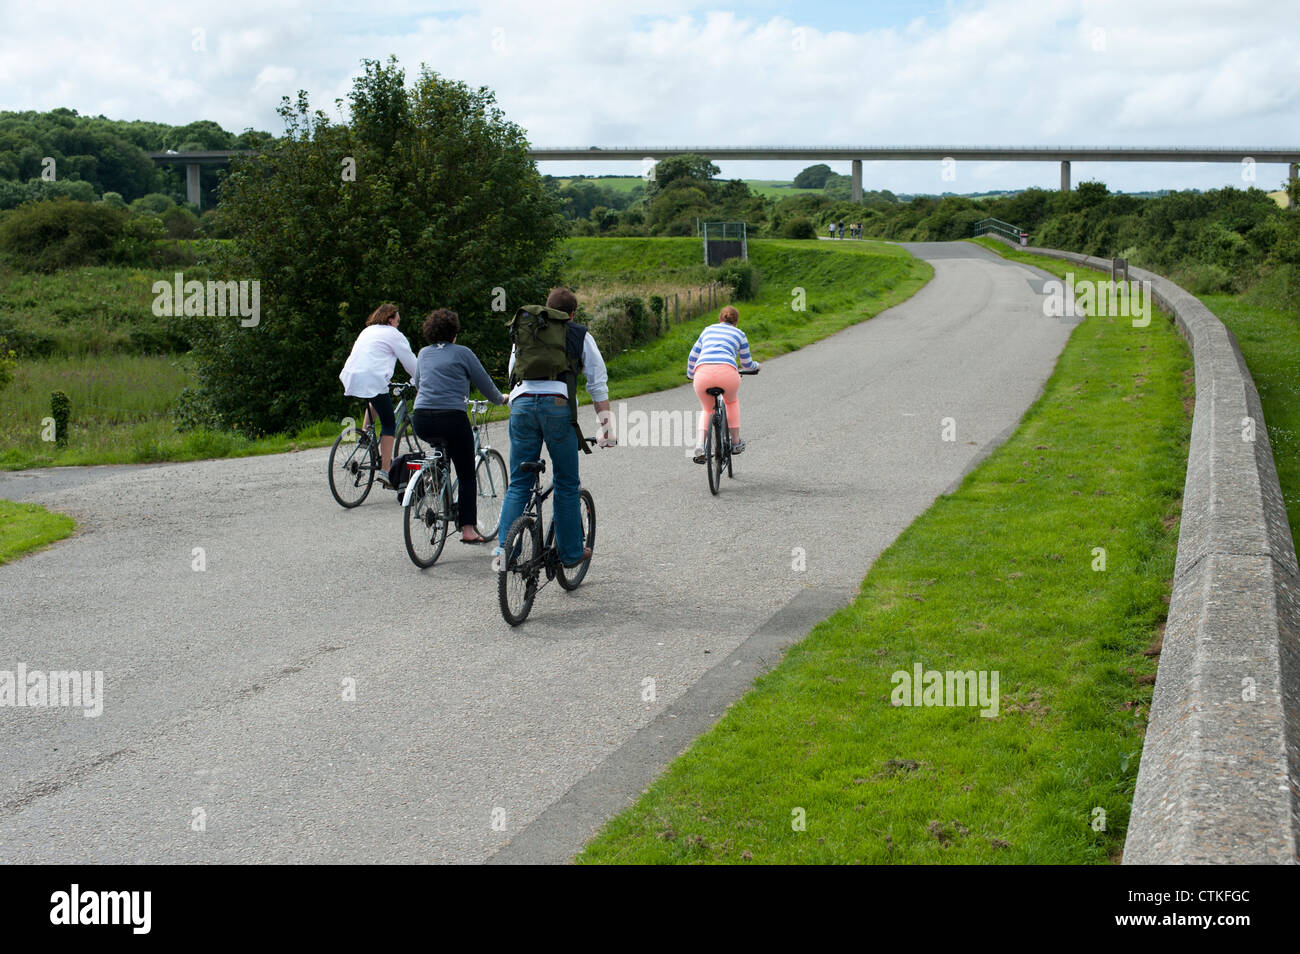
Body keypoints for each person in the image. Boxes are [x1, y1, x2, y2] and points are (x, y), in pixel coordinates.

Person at [493, 287, 614, 570]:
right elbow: (597, 384)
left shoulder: (526, 330)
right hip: (557, 407)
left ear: (548, 309)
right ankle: (571, 552)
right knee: (566, 482)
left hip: (522, 405)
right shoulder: (579, 335)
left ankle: (504, 551)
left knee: (519, 483)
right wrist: (606, 427)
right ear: (571, 314)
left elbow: (514, 374)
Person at [410, 308, 507, 544]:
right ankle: (468, 530)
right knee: (465, 474)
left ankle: (434, 480)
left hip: (421, 417)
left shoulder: (423, 353)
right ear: (454, 332)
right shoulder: (463, 353)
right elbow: (484, 383)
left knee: (440, 449)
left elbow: (419, 383)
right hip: (452, 417)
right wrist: (500, 399)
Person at [339, 303, 418, 486]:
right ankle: (385, 470)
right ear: (390, 319)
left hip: (353, 375)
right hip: (372, 378)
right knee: (389, 422)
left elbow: (371, 356)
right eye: (397, 321)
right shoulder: (393, 334)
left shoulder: (367, 331)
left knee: (375, 398)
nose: (398, 324)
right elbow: (410, 362)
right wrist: (418, 380)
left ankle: (365, 436)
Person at [687, 304, 759, 462]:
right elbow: (747, 363)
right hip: (727, 373)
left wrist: (691, 374)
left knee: (707, 409)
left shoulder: (707, 330)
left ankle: (700, 444)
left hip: (702, 373)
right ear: (736, 321)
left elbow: (693, 356)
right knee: (731, 402)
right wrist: (756, 366)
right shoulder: (739, 334)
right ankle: (735, 442)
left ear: (720, 319)